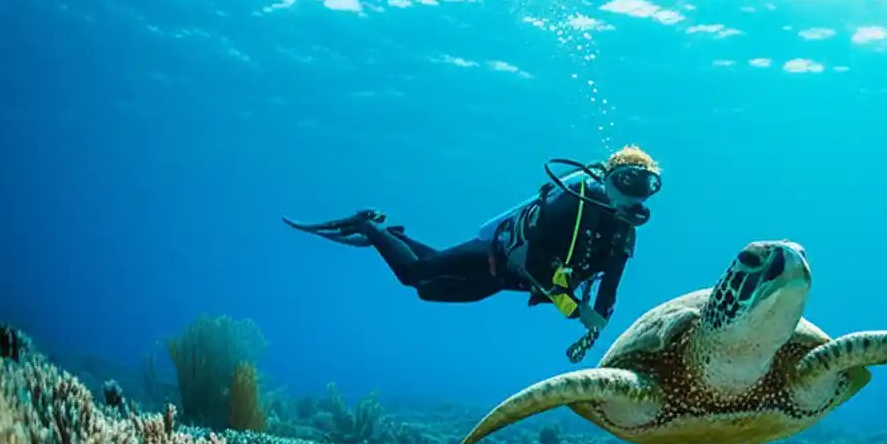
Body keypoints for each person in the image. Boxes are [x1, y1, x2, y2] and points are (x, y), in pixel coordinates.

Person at [283, 146, 662, 362]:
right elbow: (535, 261)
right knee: (412, 275)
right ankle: (368, 225)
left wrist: (599, 320)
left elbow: (611, 283)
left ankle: (394, 235)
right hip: (494, 256)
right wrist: (573, 308)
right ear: (609, 177)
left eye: (646, 187)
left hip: (502, 281)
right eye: (628, 182)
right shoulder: (573, 203)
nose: (635, 195)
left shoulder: (624, 233)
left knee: (428, 290)